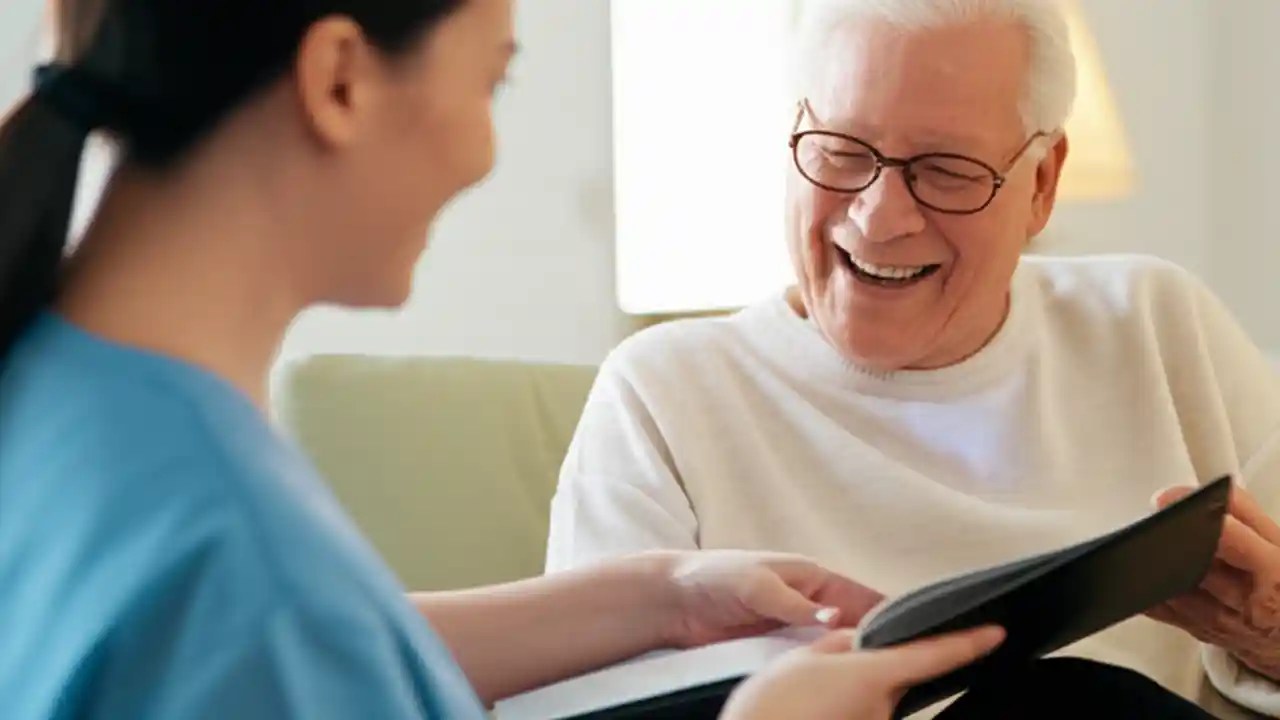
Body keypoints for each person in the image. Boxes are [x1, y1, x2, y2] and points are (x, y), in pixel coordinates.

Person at [0, 1, 1035, 718]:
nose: (483, 152)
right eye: (493, 79)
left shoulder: (62, 396)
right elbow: (280, 633)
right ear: (339, 81)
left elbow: (327, 638)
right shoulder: (246, 580)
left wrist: (661, 595)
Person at [545, 0, 1280, 716]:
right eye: (839, 153)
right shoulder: (666, 394)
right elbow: (593, 709)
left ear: (1043, 184)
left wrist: (1269, 635)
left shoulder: (1156, 323)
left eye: (946, 170)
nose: (880, 217)